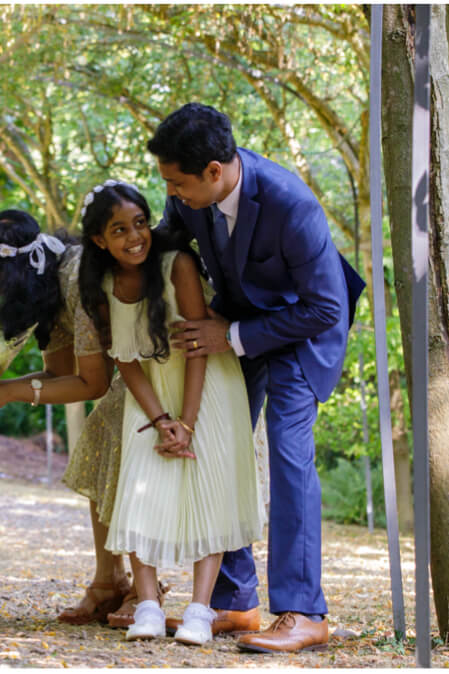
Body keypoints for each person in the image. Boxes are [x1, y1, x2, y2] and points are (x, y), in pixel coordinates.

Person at [147, 102, 366, 653]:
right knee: (219, 448)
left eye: (177, 183)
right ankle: (235, 601)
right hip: (237, 321)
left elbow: (325, 308)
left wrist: (232, 338)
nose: (171, 194)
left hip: (303, 333)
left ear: (214, 172)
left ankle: (303, 611)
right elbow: (167, 239)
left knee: (288, 455)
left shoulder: (291, 204)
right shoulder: (191, 199)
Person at [0, 210, 167, 626]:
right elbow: (59, 376)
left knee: (118, 436)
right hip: (127, 372)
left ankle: (146, 591)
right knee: (100, 436)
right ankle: (109, 582)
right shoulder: (42, 290)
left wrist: (9, 391)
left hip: (159, 367)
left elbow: (93, 383)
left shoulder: (76, 276)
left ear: (10, 266)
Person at [78, 180, 264, 646]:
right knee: (138, 492)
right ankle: (147, 606)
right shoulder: (100, 283)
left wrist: (188, 423)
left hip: (207, 389)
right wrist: (162, 421)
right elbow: (125, 360)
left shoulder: (176, 264)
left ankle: (200, 611)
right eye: (119, 230)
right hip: (151, 398)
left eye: (140, 223)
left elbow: (199, 345)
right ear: (100, 240)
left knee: (210, 493)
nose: (134, 236)